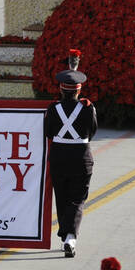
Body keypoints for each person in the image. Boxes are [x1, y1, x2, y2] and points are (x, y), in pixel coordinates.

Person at [44, 54, 95, 257]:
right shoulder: (88, 108)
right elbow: (92, 132)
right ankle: (70, 237)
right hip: (81, 156)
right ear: (79, 89)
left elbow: (48, 132)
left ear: (60, 89)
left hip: (58, 156)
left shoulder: (53, 108)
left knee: (63, 196)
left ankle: (66, 233)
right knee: (77, 197)